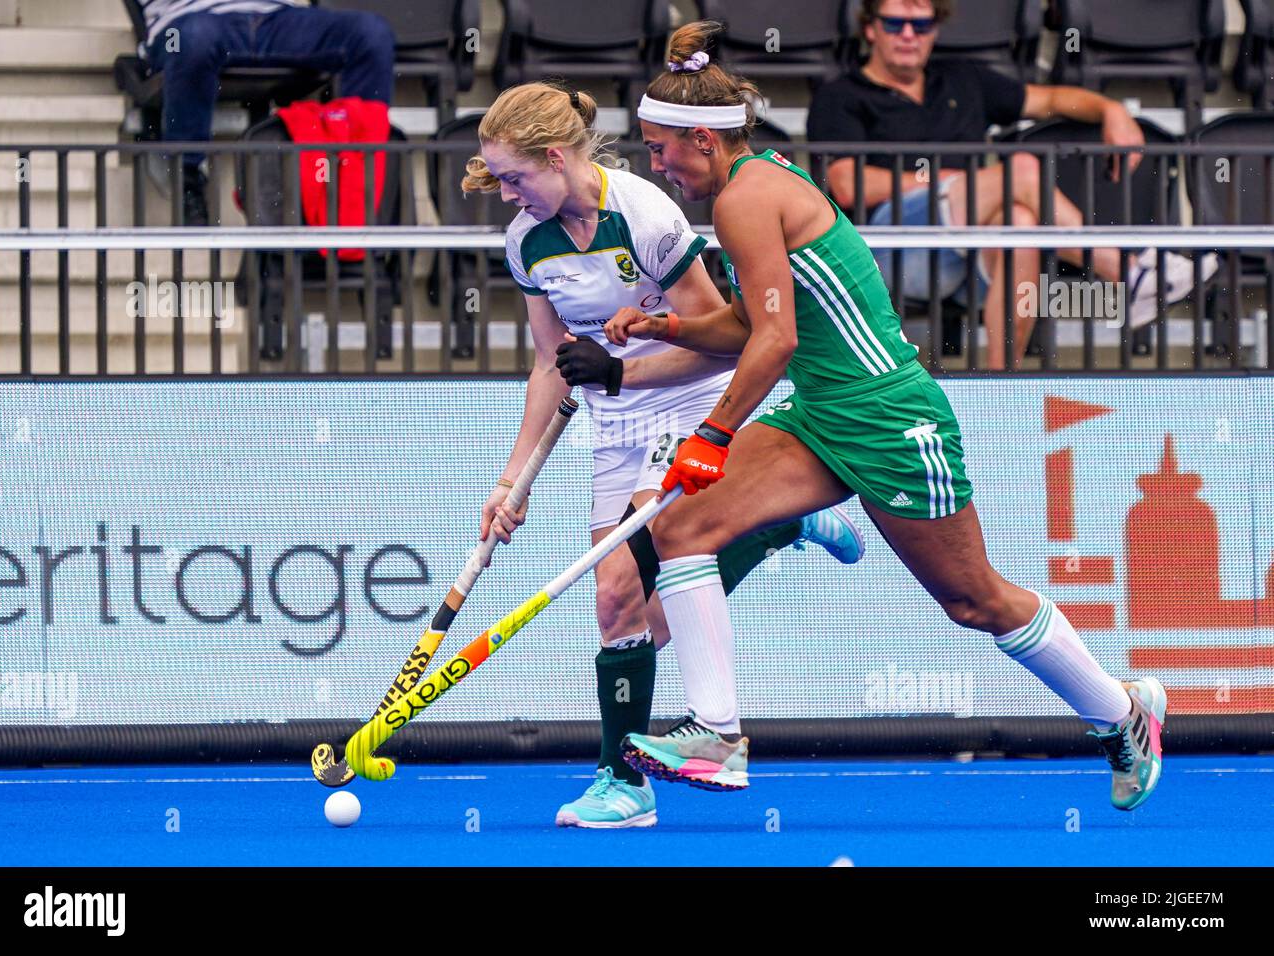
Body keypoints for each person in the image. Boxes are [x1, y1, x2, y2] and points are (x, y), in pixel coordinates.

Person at [610, 21, 1166, 812]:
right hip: (822, 411)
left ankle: (1121, 713)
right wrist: (665, 325)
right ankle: (717, 733)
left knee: (974, 601)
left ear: (703, 138)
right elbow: (745, 325)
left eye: (661, 150)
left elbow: (773, 341)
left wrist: (713, 433)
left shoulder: (745, 199)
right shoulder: (753, 180)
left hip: (887, 417)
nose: (656, 165)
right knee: (680, 529)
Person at [460, 82, 866, 828]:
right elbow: (551, 364)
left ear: (555, 157)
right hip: (614, 429)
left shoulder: (645, 215)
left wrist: (625, 367)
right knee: (619, 605)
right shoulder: (526, 240)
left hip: (684, 408)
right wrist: (511, 482)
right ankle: (630, 789)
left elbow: (723, 340)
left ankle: (769, 521)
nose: (507, 194)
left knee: (653, 559)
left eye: (515, 177)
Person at [807, 0, 1217, 368]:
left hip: (968, 255)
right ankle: (1125, 270)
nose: (909, 35)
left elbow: (1052, 100)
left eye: (922, 25)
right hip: (888, 252)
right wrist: (938, 180)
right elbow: (845, 184)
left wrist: (1111, 110)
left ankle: (1003, 382)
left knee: (1021, 225)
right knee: (1020, 169)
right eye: (895, 24)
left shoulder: (961, 80)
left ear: (935, 29)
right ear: (870, 29)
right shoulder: (840, 95)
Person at [134, 0, 395, 225]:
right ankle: (186, 175)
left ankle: (358, 178)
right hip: (175, 32)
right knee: (193, 38)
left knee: (371, 33)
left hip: (276, 18)